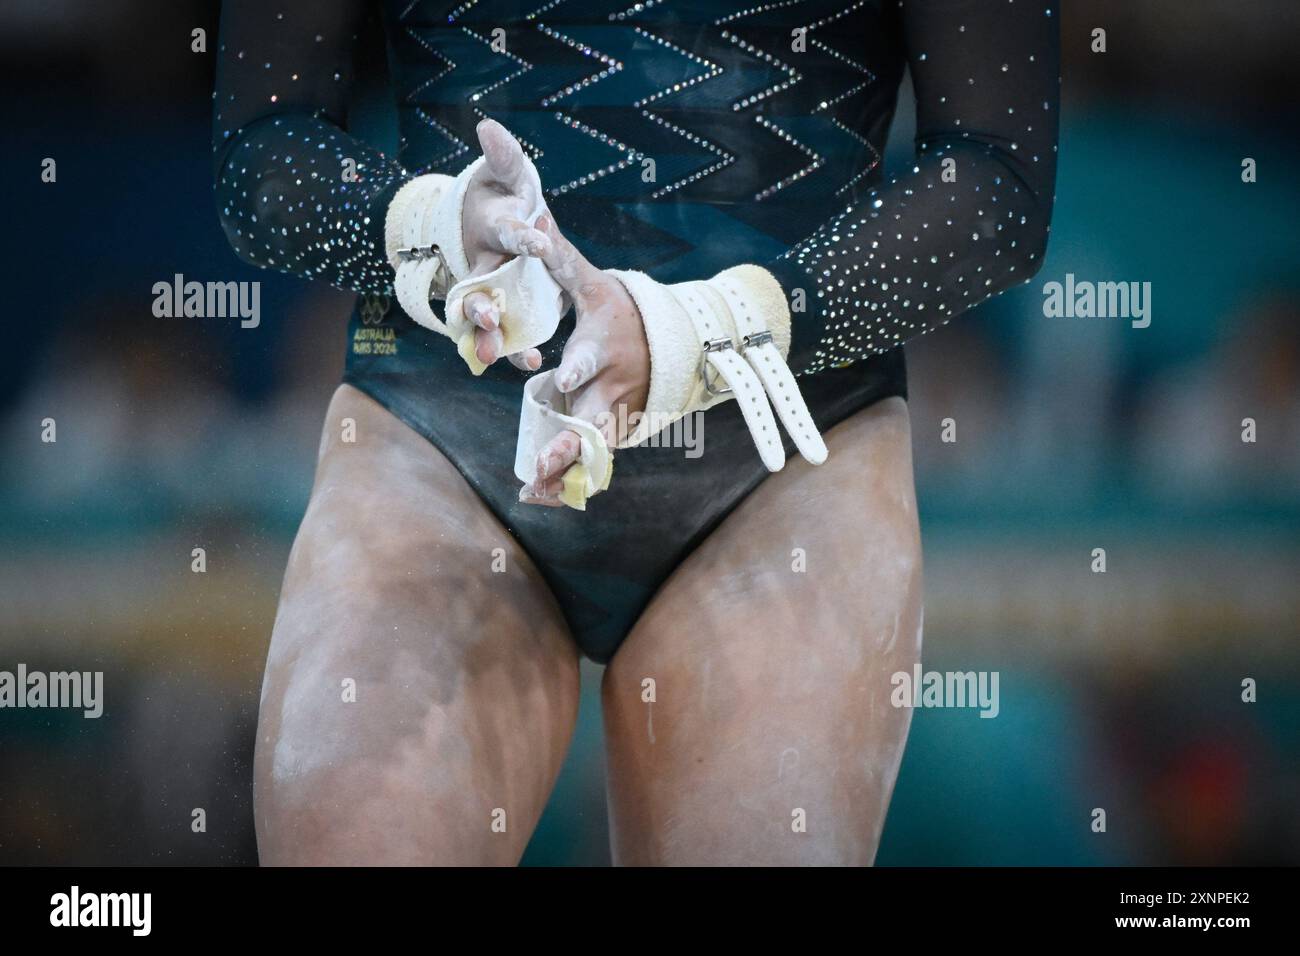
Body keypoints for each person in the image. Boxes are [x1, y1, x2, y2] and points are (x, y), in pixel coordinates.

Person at [213, 0, 1057, 865]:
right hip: (442, 436)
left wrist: (717, 331)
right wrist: (431, 229)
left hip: (776, 454)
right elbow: (261, 152)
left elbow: (999, 177)